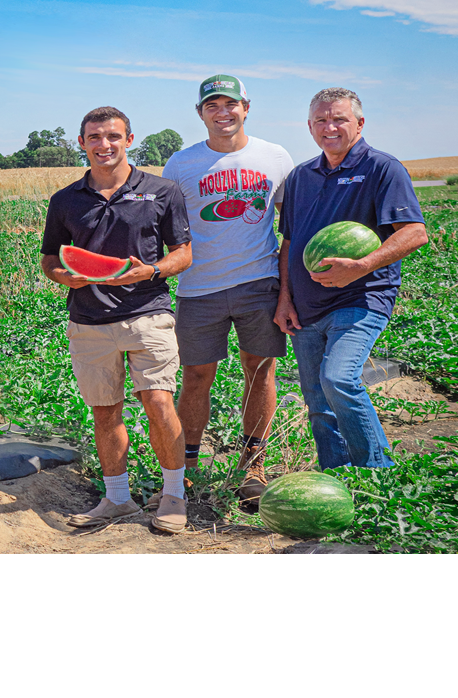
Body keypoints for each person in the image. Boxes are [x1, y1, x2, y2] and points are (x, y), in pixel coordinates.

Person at [41, 106, 194, 533]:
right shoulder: (65, 199)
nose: (103, 145)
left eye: (113, 136)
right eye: (94, 137)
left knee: (159, 402)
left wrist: (154, 270)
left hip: (148, 313)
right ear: (81, 143)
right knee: (105, 413)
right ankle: (118, 499)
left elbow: (183, 252)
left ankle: (174, 496)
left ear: (129, 139)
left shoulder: (162, 190)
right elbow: (51, 257)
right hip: (88, 321)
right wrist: (62, 276)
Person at [274, 88, 428, 469]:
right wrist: (285, 298)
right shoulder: (299, 177)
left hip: (360, 298)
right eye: (321, 120)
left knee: (338, 379)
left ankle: (377, 471)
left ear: (359, 123)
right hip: (306, 307)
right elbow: (289, 242)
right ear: (310, 127)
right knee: (316, 399)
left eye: (339, 119)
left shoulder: (382, 168)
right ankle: (338, 476)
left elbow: (414, 232)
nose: (330, 127)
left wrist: (361, 266)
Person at [161, 74, 296, 505]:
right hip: (198, 288)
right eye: (213, 106)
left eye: (231, 104)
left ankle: (252, 463)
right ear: (200, 113)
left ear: (246, 107)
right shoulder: (181, 164)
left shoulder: (275, 157)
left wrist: (289, 292)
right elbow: (164, 229)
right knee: (196, 376)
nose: (223, 113)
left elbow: (292, 230)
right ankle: (187, 466)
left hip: (259, 283)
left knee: (260, 371)